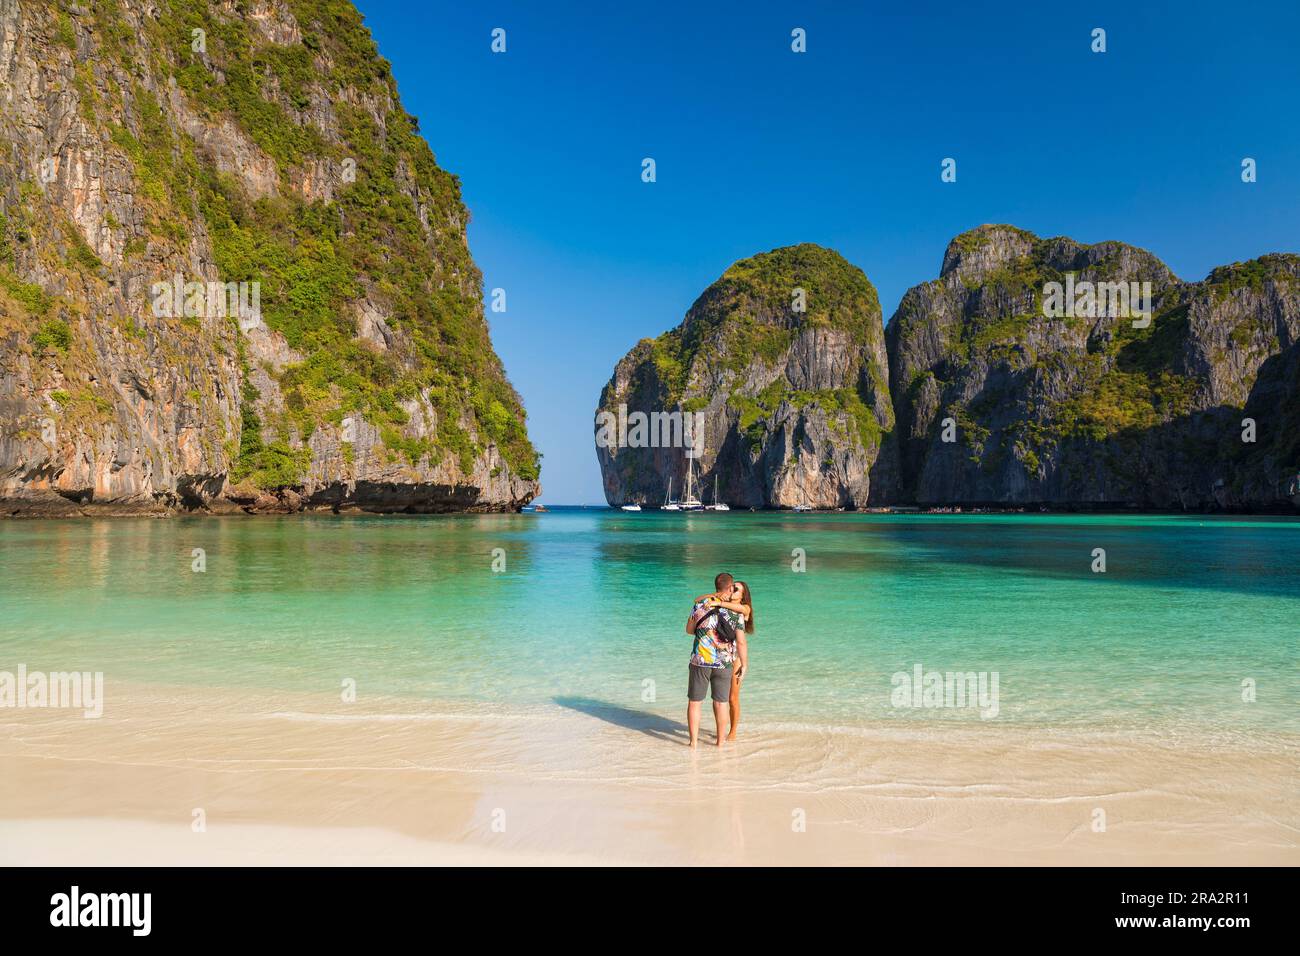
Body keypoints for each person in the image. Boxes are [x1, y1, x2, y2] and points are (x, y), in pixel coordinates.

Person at [686, 572, 739, 748]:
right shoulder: (734, 609)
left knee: (695, 702)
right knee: (721, 703)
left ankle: (693, 743)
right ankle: (720, 743)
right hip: (724, 663)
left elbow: (689, 629)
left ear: (715, 586)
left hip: (700, 659)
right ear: (730, 588)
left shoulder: (700, 604)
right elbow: (740, 638)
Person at [704, 581, 753, 740]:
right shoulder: (721, 605)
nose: (732, 589)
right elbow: (697, 600)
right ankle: (720, 730)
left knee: (732, 697)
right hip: (718, 656)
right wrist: (716, 596)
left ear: (742, 596)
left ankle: (733, 731)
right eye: (732, 586)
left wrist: (721, 601)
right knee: (718, 697)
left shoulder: (744, 609)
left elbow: (741, 609)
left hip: (735, 658)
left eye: (736, 589)